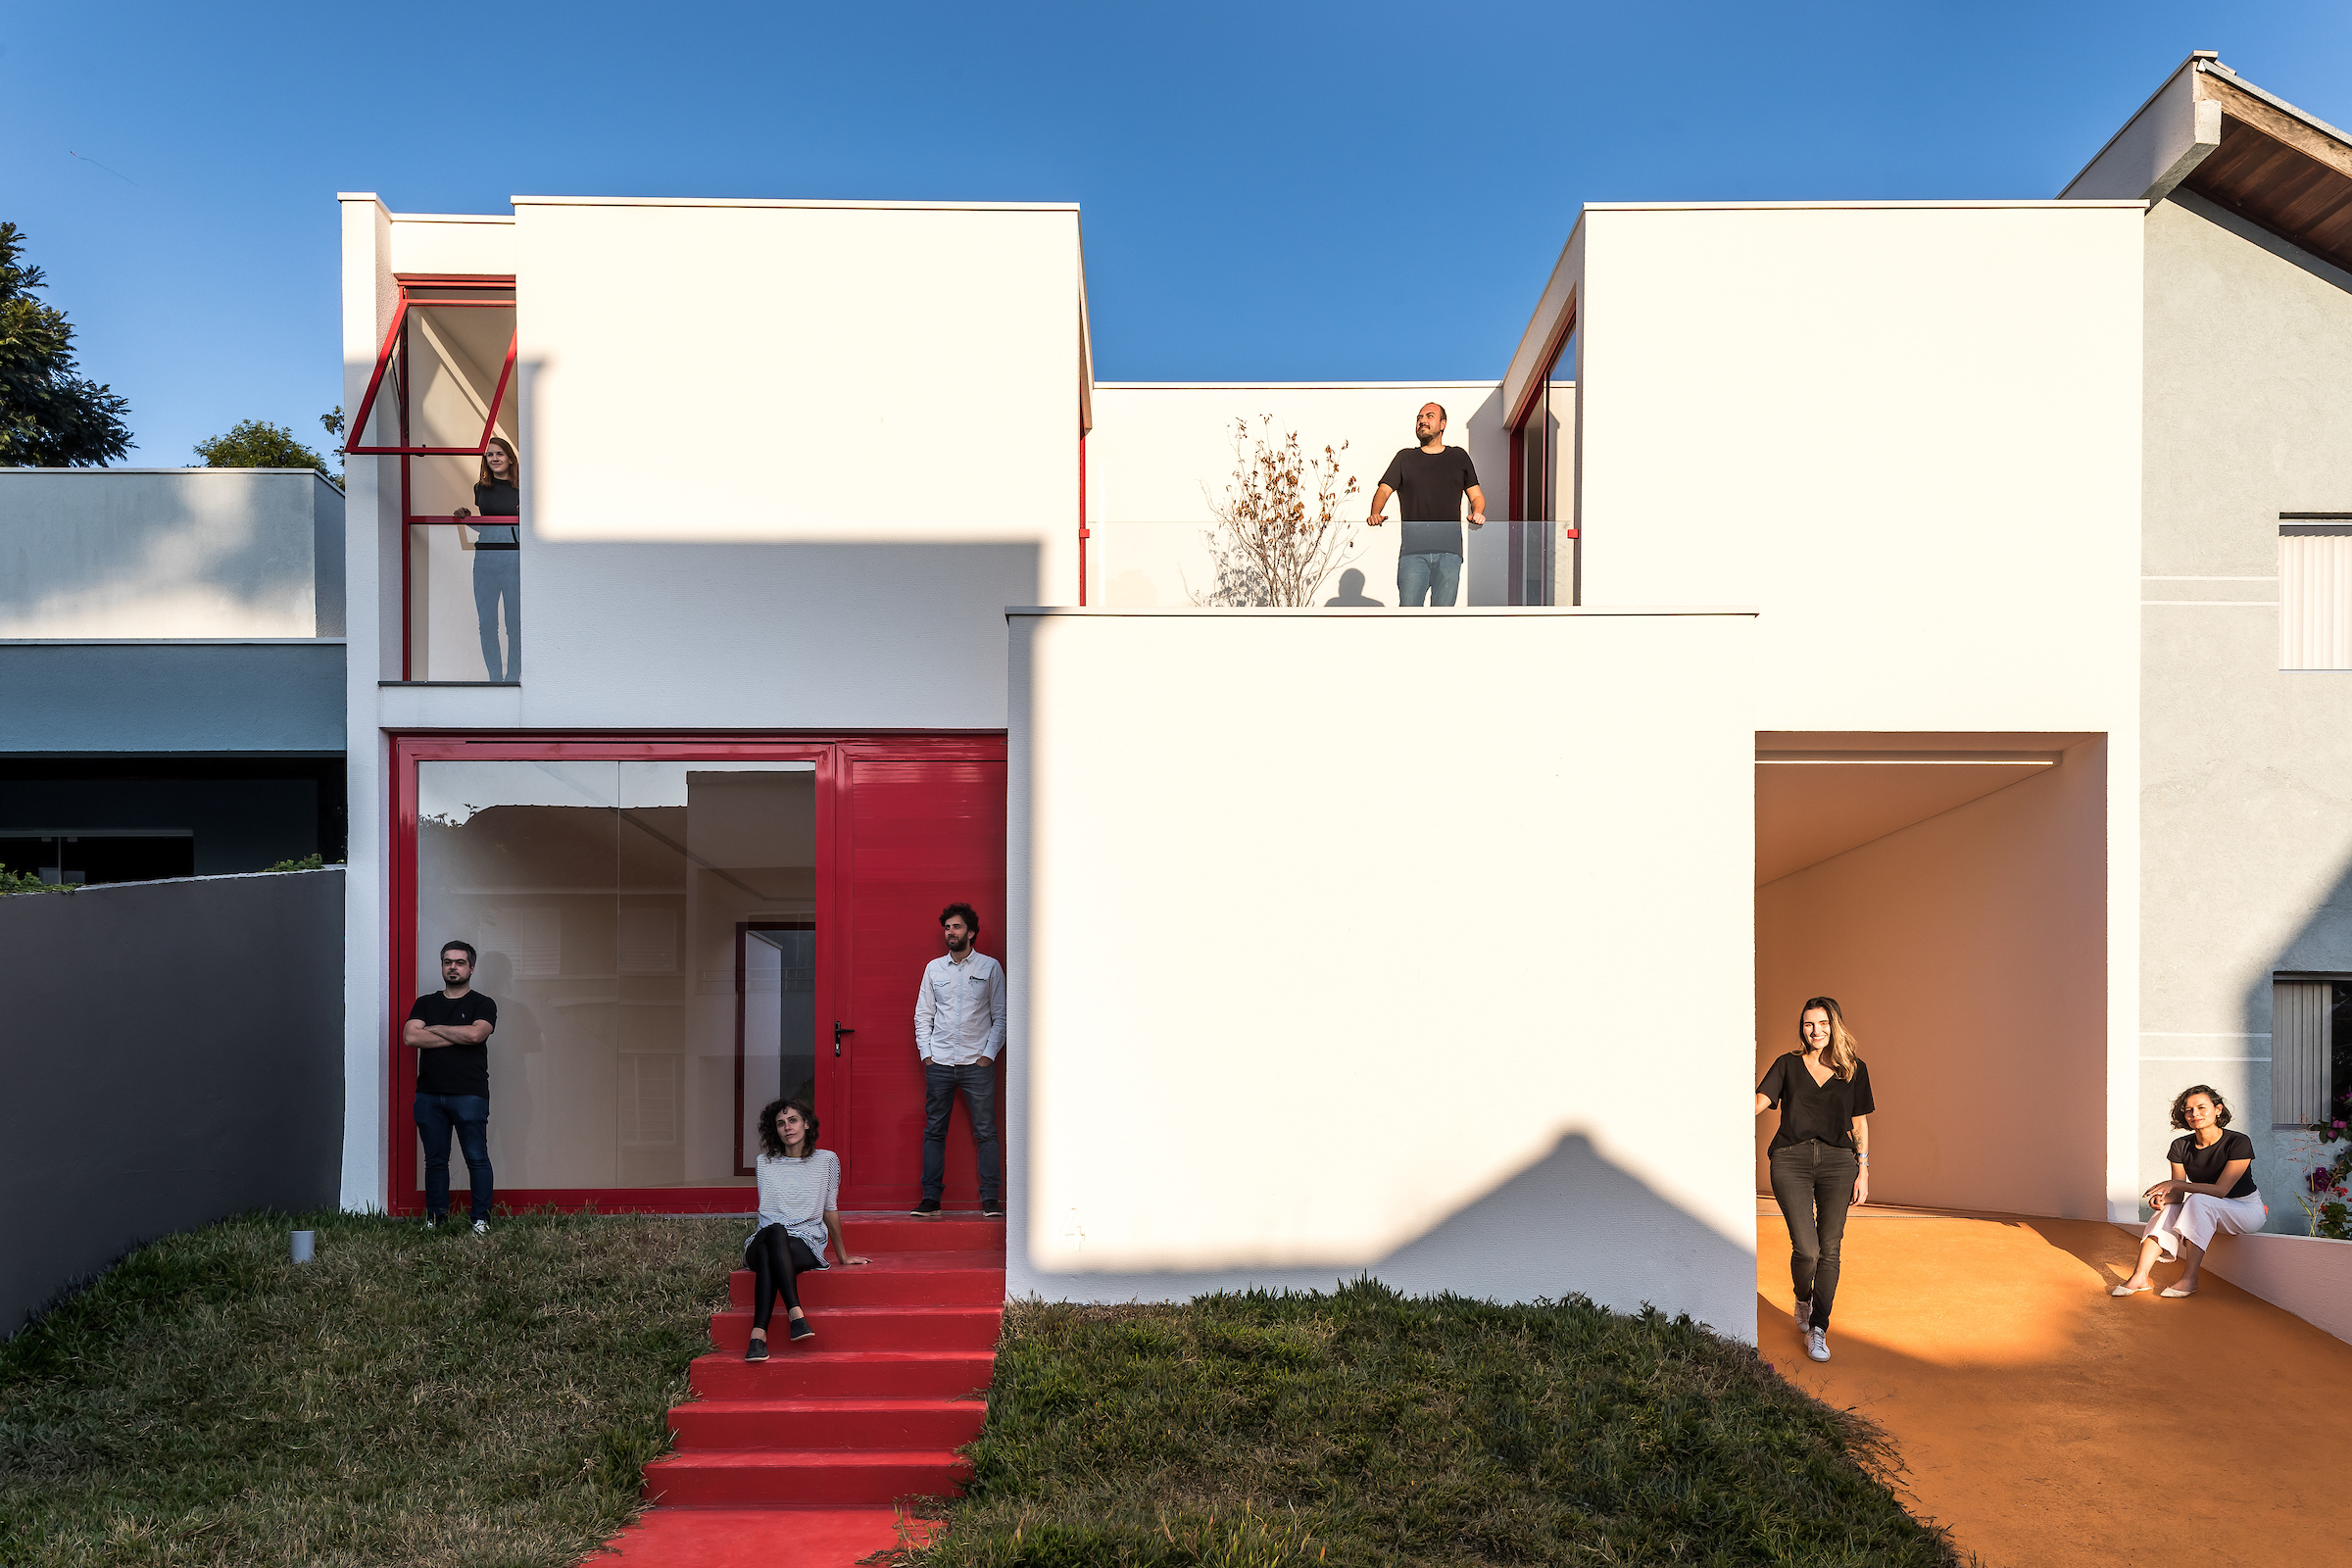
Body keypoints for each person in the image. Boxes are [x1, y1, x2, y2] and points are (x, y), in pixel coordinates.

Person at [1753, 997, 1876, 1363]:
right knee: (1807, 1249)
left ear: (1834, 1025)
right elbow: (1761, 1100)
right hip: (1791, 1159)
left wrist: (1864, 1168)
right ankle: (1803, 1297)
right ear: (1802, 1027)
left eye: (1822, 1023)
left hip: (1839, 1163)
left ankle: (1819, 1328)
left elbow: (1859, 1122)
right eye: (1808, 1024)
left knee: (1831, 1247)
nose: (1815, 1031)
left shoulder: (1853, 1069)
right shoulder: (1787, 1065)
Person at [2111, 1085, 2265, 1299]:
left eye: (2201, 1108)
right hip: (2205, 1209)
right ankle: (2140, 1276)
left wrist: (2176, 1185)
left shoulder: (2238, 1142)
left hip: (2245, 1210)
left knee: (2198, 1200)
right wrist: (2161, 1199)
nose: (2194, 1114)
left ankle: (2190, 1278)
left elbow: (2220, 1190)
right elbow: (2177, 1194)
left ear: (2218, 1109)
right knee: (2171, 1209)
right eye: (2188, 1110)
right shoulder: (2180, 1146)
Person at [743, 1098, 868, 1360]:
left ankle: (758, 1336)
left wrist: (843, 1255)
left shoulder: (827, 1161)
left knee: (770, 1252)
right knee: (775, 1230)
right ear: (774, 1130)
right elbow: (769, 1210)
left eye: (793, 1120)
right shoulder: (765, 1163)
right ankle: (796, 1315)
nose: (787, 1127)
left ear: (806, 1124)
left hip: (804, 1241)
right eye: (780, 1123)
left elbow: (829, 1209)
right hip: (764, 1237)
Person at [911, 902, 1006, 1219]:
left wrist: (987, 1056)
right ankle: (931, 1199)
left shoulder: (990, 967)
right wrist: (926, 1054)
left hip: (975, 1065)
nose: (950, 932)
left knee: (986, 1132)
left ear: (972, 932)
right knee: (934, 1131)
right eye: (947, 927)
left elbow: (1001, 1016)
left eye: (956, 927)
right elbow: (923, 1014)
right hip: (939, 1063)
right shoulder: (933, 968)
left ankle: (990, 1198)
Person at [404, 941, 498, 1233]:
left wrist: (432, 1029)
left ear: (471, 967)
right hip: (429, 1094)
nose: (453, 967)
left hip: (469, 1093)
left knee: (476, 1158)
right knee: (435, 1161)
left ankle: (480, 1220)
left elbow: (475, 1036)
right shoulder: (425, 1003)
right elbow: (410, 1037)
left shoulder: (483, 1003)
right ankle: (435, 1218)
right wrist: (458, 1034)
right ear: (442, 965)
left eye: (459, 962)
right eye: (447, 962)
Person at [1367, 403, 1486, 608]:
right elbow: (1384, 489)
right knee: (1409, 618)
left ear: (1443, 424)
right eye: (1419, 417)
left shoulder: (1458, 457)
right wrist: (1375, 513)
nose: (1422, 420)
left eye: (1429, 416)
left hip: (1450, 553)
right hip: (1413, 553)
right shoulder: (1405, 457)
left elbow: (1476, 496)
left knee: (1442, 620)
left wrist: (1478, 513)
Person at [451, 435, 520, 681]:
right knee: (487, 625)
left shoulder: (523, 489)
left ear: (510, 459)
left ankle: (513, 679)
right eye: (489, 454)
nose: (494, 458)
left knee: (515, 624)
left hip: (514, 560)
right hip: (485, 560)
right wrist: (467, 518)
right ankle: (495, 679)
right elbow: (490, 527)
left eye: (499, 454)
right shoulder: (480, 489)